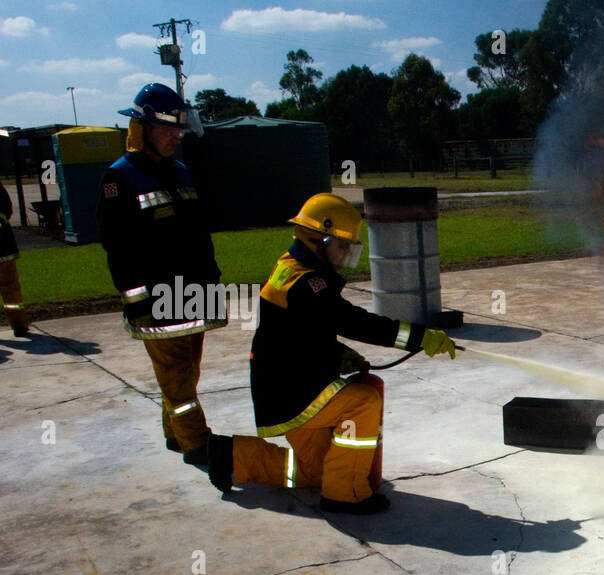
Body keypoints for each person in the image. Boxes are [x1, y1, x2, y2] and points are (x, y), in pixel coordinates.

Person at [205, 193, 457, 514]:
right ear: (319, 240)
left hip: (283, 387)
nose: (346, 255)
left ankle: (232, 455)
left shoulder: (292, 267)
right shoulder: (307, 283)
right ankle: (345, 494)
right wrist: (419, 337)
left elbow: (300, 332)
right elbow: (353, 322)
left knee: (315, 472)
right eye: (342, 246)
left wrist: (337, 354)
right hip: (294, 393)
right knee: (364, 402)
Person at [97, 82, 222, 465]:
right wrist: (137, 301)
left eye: (178, 128)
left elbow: (198, 234)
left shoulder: (181, 171)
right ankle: (197, 443)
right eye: (167, 128)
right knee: (177, 375)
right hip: (156, 297)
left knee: (188, 370)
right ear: (143, 128)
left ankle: (174, 433)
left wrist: (212, 281)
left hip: (193, 291)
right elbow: (119, 248)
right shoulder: (120, 178)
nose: (175, 136)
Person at [0, 182, 28, 337]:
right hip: (4, 247)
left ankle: (19, 325)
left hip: (4, 248)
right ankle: (19, 325)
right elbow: (7, 210)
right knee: (10, 289)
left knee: (10, 288)